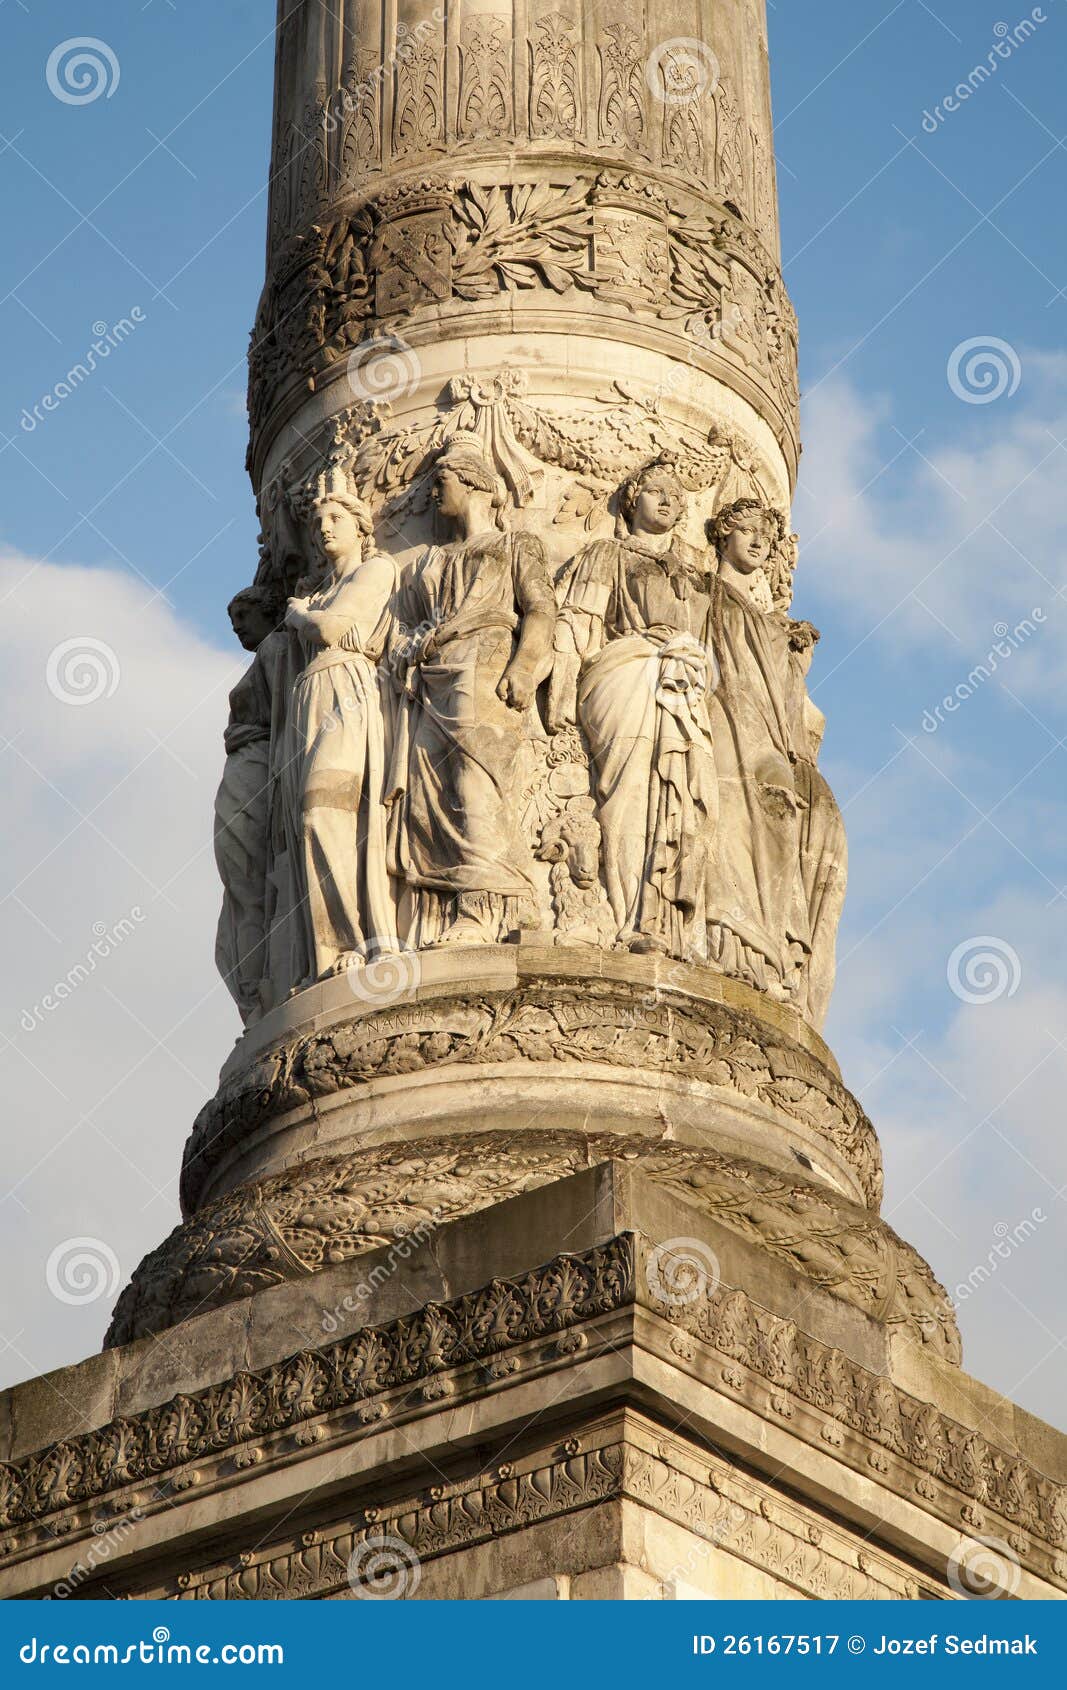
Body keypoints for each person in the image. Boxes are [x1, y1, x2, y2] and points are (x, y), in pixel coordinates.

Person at [388, 434, 556, 946]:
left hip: (485, 662)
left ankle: (483, 909)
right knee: (428, 796)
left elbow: (542, 610)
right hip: (434, 672)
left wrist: (525, 667)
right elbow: (407, 626)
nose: (435, 494)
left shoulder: (514, 545)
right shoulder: (429, 562)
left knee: (474, 784)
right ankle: (438, 910)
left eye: (443, 482)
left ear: (477, 484)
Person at [548, 458, 718, 957]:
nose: (667, 500)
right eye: (655, 491)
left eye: (675, 494)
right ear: (631, 500)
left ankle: (668, 921)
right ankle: (627, 917)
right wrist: (559, 691)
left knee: (683, 801)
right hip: (628, 671)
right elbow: (577, 620)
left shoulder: (695, 574)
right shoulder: (608, 554)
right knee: (629, 795)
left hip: (685, 685)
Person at [281, 477, 398, 983]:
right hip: (307, 697)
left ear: (361, 526)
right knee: (302, 822)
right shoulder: (324, 590)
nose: (323, 530)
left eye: (336, 520)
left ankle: (356, 938)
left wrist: (301, 616)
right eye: (317, 523)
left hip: (346, 686)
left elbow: (331, 631)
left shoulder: (376, 569)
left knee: (322, 810)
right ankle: (324, 953)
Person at [706, 498, 810, 1001]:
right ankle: (729, 939)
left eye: (765, 537)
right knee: (723, 812)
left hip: (764, 727)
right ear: (722, 534)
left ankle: (767, 943)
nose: (756, 541)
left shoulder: (771, 622)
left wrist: (797, 662)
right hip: (720, 711)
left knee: (779, 813)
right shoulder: (701, 591)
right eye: (745, 529)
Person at [214, 586, 287, 1022]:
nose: (238, 625)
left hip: (257, 766)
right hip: (243, 768)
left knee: (250, 882)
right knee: (242, 885)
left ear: (268, 612)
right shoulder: (266, 653)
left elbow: (285, 714)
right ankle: (253, 989)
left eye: (244, 615)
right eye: (232, 618)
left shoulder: (276, 647)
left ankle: (258, 985)